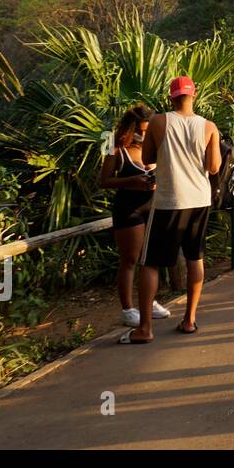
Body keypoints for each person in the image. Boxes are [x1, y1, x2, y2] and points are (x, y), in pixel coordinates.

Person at [125, 76, 221, 343]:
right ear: (195, 94)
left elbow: (147, 159)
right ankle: (189, 320)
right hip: (200, 200)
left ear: (171, 97)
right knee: (195, 258)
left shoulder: (158, 121)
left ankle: (145, 328)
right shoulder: (209, 127)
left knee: (151, 263)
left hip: (170, 200)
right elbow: (213, 168)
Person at [98, 104, 169, 328]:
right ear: (131, 129)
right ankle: (128, 309)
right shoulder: (115, 147)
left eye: (149, 130)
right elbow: (104, 181)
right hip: (129, 209)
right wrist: (131, 182)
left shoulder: (158, 145)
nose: (145, 135)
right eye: (141, 130)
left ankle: (149, 302)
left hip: (154, 206)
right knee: (130, 259)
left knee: (152, 258)